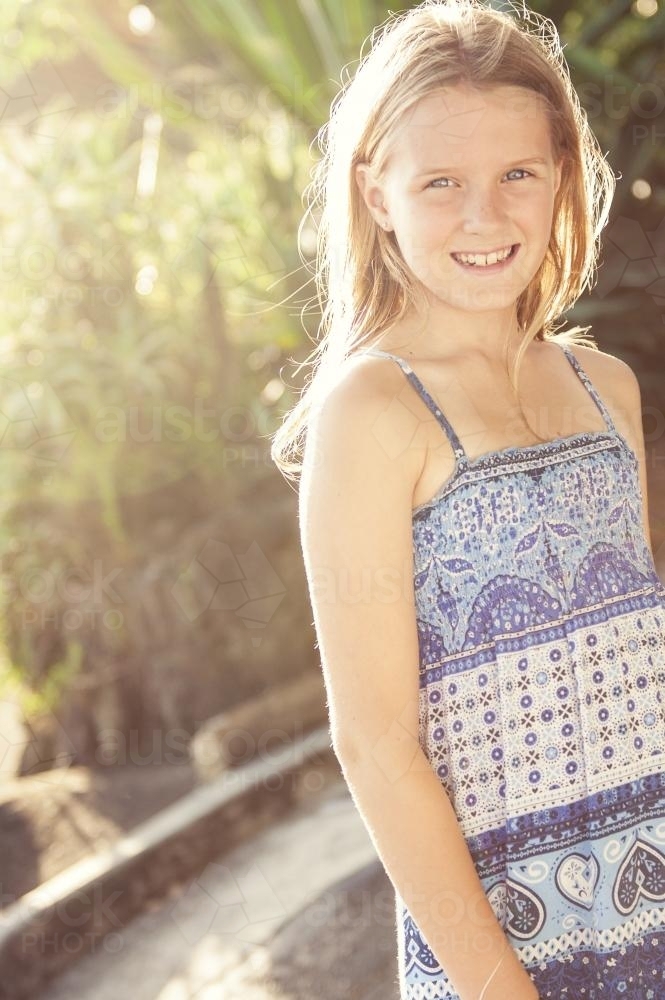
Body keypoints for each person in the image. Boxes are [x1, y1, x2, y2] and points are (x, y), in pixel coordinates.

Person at [270, 1, 665, 997]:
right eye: (439, 182)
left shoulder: (603, 389)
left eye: (515, 175)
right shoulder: (371, 410)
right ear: (376, 192)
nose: (482, 218)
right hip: (507, 957)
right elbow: (374, 744)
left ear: (561, 177)